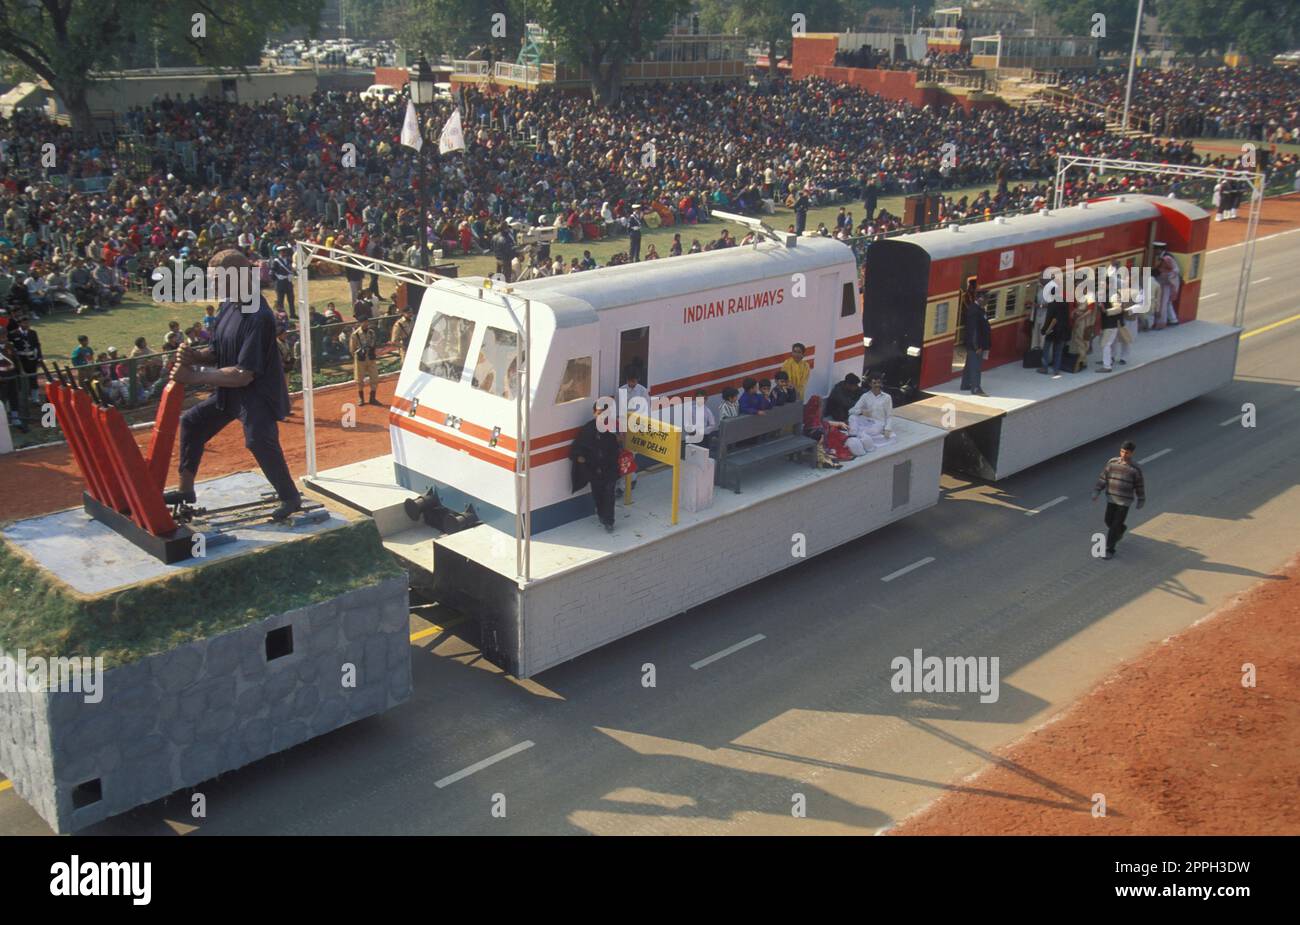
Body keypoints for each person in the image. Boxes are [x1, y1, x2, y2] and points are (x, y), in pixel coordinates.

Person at [164, 249, 301, 521]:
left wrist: (195, 375)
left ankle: (290, 497)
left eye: (218, 279)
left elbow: (243, 373)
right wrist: (196, 356)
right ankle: (185, 490)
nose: (213, 285)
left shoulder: (258, 315)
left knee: (259, 441)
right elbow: (217, 350)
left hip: (256, 394)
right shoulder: (228, 306)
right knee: (192, 422)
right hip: (230, 392)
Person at [569, 400, 621, 532]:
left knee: (609, 494)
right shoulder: (587, 429)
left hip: (610, 469)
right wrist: (579, 457)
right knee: (598, 495)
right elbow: (576, 448)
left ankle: (609, 521)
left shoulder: (612, 428)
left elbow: (617, 448)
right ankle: (602, 515)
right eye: (599, 413)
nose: (601, 416)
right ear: (594, 413)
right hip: (594, 470)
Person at [1091, 440, 1145, 559]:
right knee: (1108, 521)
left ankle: (1110, 549)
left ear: (1131, 453)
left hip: (1124, 502)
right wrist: (1097, 491)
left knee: (1114, 525)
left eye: (1126, 452)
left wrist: (1141, 499)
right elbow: (1103, 477)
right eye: (1122, 451)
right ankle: (1121, 529)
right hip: (1111, 498)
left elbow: (1139, 486)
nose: (1123, 454)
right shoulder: (1112, 462)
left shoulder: (1135, 469)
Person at [847, 372, 895, 445]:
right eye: (874, 383)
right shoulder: (865, 396)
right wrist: (861, 412)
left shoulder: (887, 397)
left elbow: (889, 415)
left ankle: (857, 436)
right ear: (870, 384)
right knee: (852, 417)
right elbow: (851, 411)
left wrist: (888, 429)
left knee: (870, 431)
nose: (877, 385)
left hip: (878, 423)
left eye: (879, 383)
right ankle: (854, 436)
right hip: (866, 421)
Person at [349, 311, 381, 407]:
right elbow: (352, 349)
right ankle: (361, 398)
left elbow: (374, 343)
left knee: (374, 377)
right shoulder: (355, 335)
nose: (366, 323)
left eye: (367, 322)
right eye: (364, 322)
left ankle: (372, 398)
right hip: (360, 359)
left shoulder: (371, 332)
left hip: (370, 358)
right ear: (359, 323)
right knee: (359, 379)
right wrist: (359, 354)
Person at [962, 292, 991, 396]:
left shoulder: (978, 309)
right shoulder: (975, 310)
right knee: (976, 367)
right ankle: (976, 388)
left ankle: (965, 384)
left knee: (969, 364)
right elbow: (973, 330)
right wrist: (977, 346)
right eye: (986, 298)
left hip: (975, 343)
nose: (988, 301)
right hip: (975, 345)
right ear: (980, 298)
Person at [1038, 294, 1070, 378]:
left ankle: (1044, 368)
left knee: (1046, 349)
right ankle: (1056, 370)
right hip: (1062, 331)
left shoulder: (1052, 304)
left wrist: (1045, 330)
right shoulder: (1065, 303)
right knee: (1058, 351)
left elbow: (1051, 319)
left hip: (1052, 331)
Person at [271, 245, 294, 313]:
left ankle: (292, 314)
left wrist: (291, 274)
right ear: (279, 253)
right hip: (280, 283)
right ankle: (282, 315)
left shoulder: (289, 260)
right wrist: (277, 278)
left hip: (288, 282)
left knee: (291, 299)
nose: (284, 253)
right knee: (280, 301)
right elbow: (272, 272)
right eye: (282, 252)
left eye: (285, 251)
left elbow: (291, 269)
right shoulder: (276, 261)